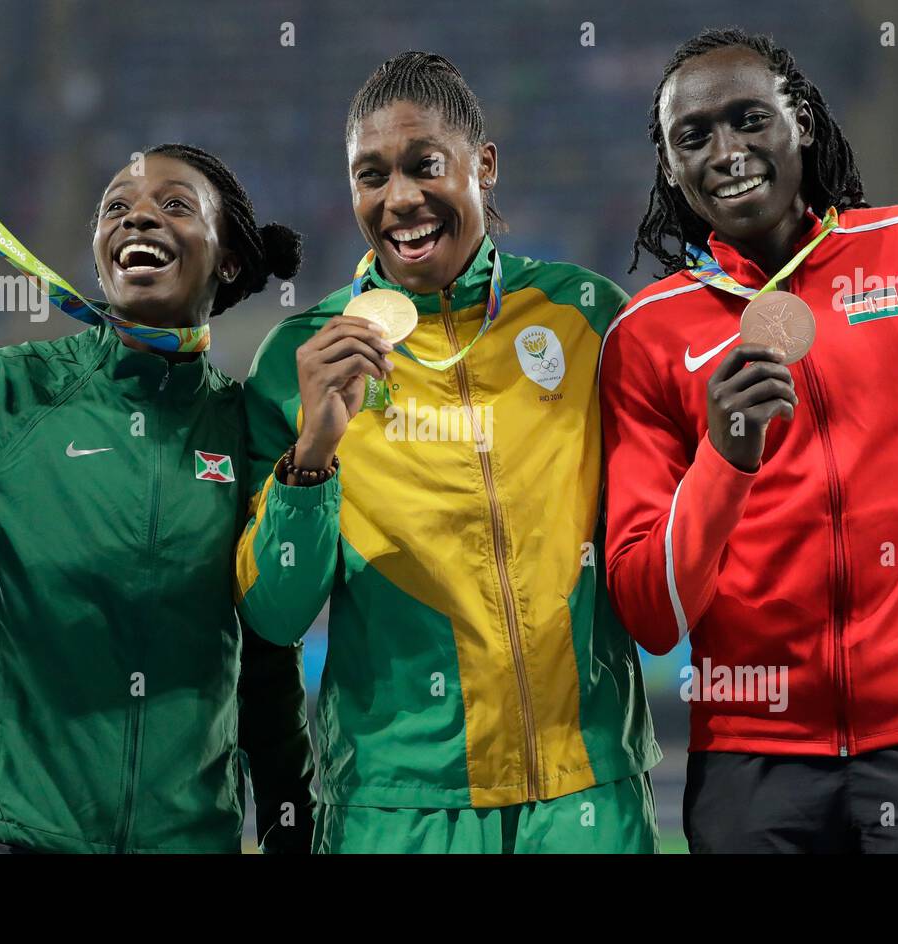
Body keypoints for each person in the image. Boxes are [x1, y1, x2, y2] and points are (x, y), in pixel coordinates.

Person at [603, 28, 898, 853]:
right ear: (670, 166)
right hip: (750, 766)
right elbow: (650, 613)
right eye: (694, 136)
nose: (728, 151)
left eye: (750, 118)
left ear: (805, 122)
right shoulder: (646, 337)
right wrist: (723, 460)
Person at [0, 144, 316, 853]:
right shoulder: (4, 392)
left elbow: (266, 658)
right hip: (5, 836)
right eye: (115, 207)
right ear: (100, 254)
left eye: (174, 205)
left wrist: (294, 826)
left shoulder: (249, 431)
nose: (138, 217)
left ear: (227, 259)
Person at [236, 52, 659, 853]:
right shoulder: (300, 360)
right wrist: (312, 455)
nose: (399, 198)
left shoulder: (587, 316)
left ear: (483, 165)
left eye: (424, 165)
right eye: (370, 176)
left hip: (587, 795)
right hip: (397, 809)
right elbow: (276, 613)